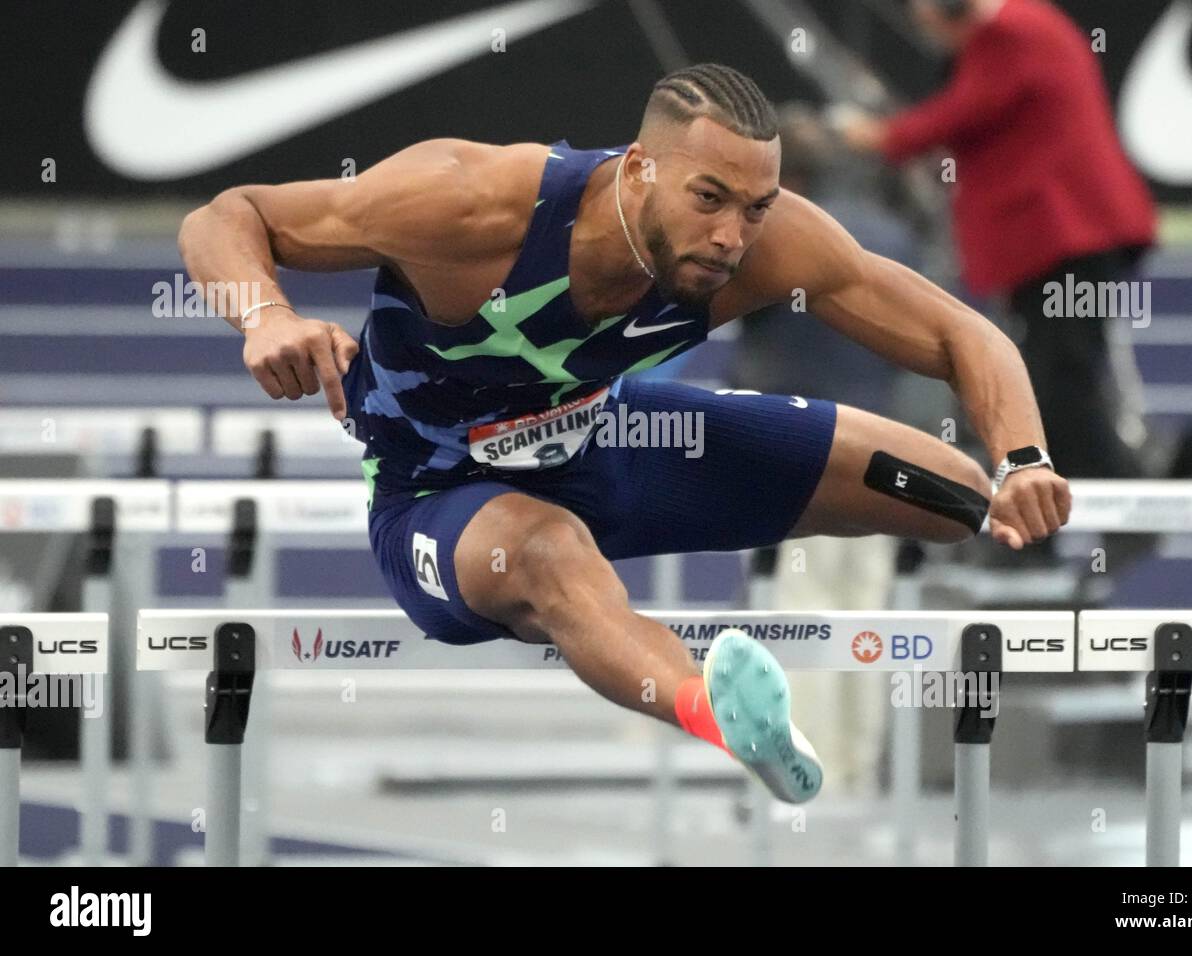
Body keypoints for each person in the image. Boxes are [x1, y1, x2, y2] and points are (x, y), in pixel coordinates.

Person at [178, 62, 1071, 805]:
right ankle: (720, 713)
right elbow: (228, 216)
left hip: (614, 444)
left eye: (756, 207)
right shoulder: (472, 203)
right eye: (710, 199)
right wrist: (263, 315)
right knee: (551, 554)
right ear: (640, 167)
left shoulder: (770, 242)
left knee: (950, 491)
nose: (731, 237)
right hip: (441, 492)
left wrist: (1024, 457)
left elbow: (963, 333)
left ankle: (957, 510)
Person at [838, 0, 1157, 483]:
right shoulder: (1026, 25)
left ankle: (1112, 503)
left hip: (1068, 236)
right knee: (1058, 375)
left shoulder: (1009, 34)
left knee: (1058, 380)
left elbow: (961, 113)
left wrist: (880, 137)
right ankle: (1075, 513)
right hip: (1071, 237)